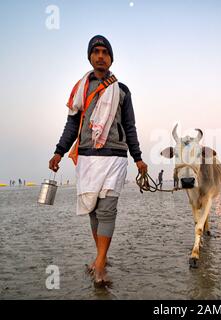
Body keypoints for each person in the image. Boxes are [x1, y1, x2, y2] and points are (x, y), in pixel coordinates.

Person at [48, 35, 148, 286]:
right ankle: (100, 255)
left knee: (107, 210)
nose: (101, 56)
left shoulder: (122, 90)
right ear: (90, 57)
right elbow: (72, 124)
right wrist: (59, 151)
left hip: (114, 156)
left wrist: (138, 158)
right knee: (93, 210)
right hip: (88, 157)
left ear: (111, 58)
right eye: (96, 51)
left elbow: (129, 126)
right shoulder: (81, 89)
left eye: (105, 52)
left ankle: (100, 264)